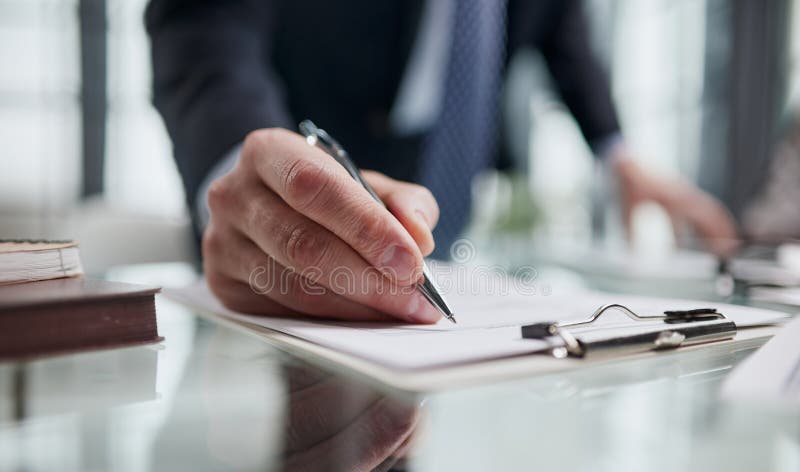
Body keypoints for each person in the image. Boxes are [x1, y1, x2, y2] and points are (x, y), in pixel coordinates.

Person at [146, 0, 737, 323]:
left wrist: (618, 153)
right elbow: (206, 28)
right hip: (300, 197)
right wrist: (241, 173)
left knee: (396, 438)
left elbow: (561, 25)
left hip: (435, 199)